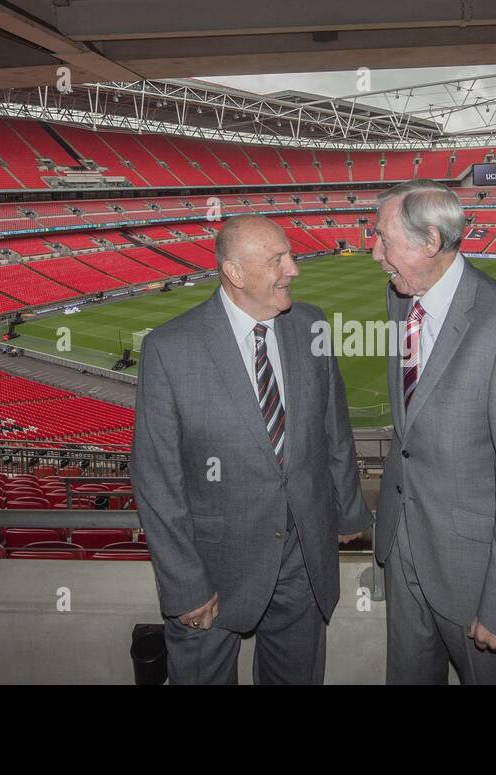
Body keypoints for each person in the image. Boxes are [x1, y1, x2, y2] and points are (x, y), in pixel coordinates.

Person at [131, 214, 371, 685]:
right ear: (235, 273)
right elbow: (157, 478)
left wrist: (348, 513)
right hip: (215, 567)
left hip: (304, 555)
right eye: (278, 259)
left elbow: (333, 429)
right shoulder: (170, 348)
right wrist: (185, 585)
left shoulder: (311, 324)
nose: (294, 269)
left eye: (291, 255)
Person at [371, 180, 496, 685]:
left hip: (479, 576)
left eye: (384, 241)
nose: (375, 255)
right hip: (405, 550)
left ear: (430, 242)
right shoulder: (400, 302)